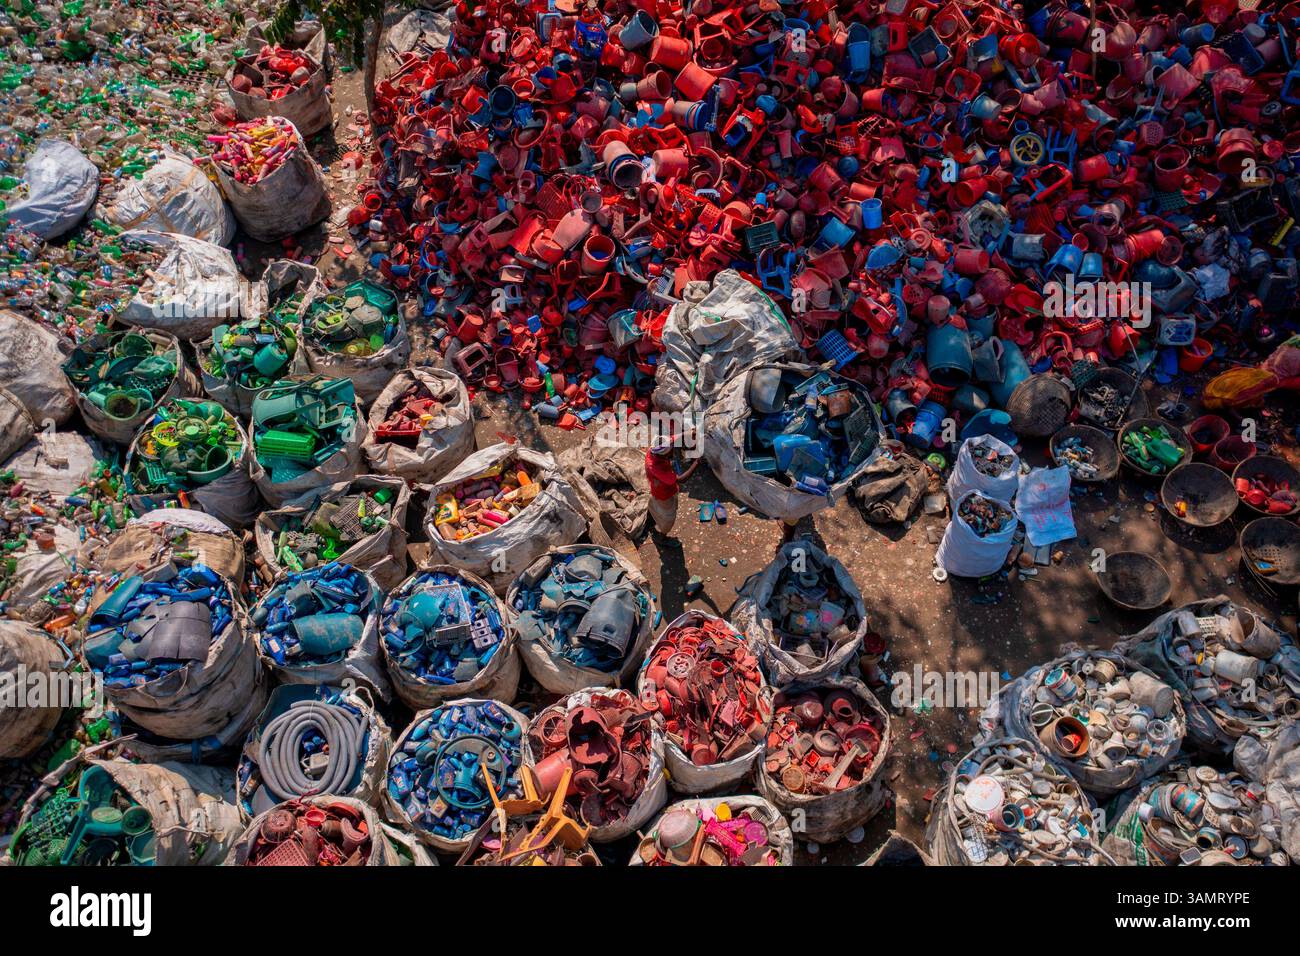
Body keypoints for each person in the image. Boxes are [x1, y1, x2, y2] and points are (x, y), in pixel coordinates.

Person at [645, 439, 680, 536]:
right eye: (671, 451)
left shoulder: (653, 451)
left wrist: (688, 433)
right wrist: (696, 463)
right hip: (664, 495)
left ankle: (650, 519)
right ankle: (662, 536)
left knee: (654, 505)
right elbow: (681, 479)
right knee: (668, 519)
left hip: (658, 489)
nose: (673, 452)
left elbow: (672, 438)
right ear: (664, 454)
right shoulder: (656, 467)